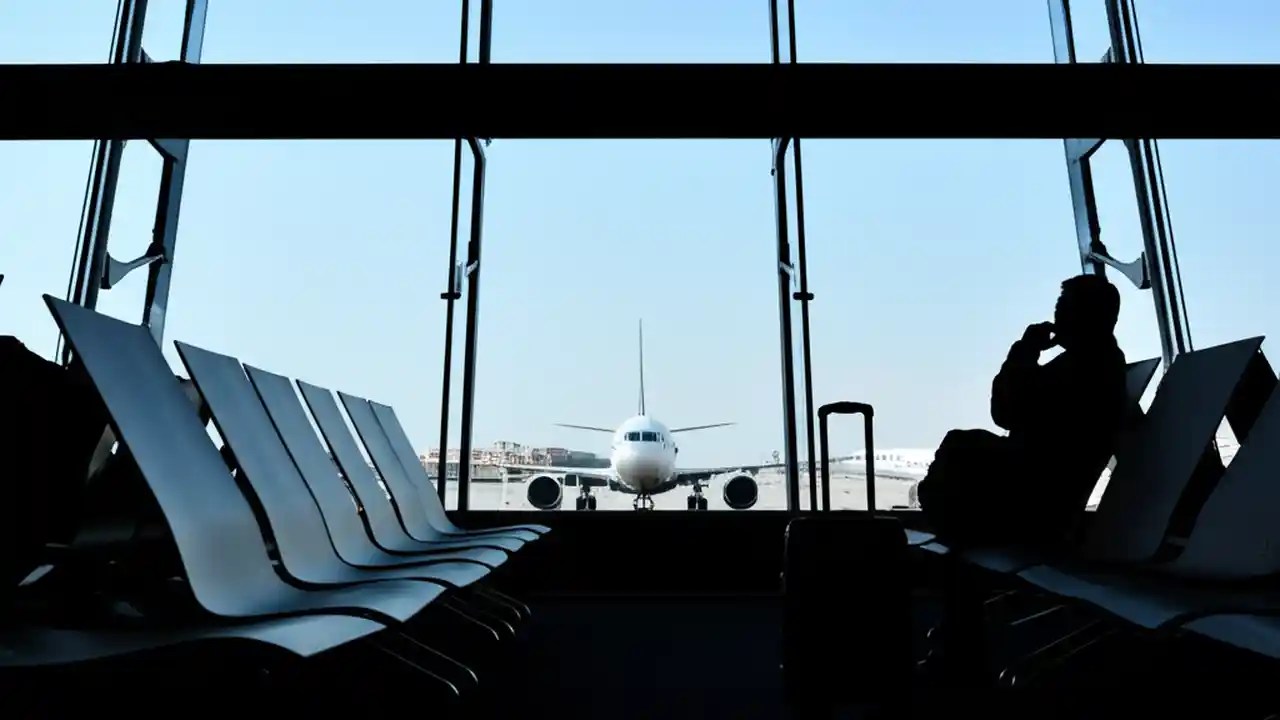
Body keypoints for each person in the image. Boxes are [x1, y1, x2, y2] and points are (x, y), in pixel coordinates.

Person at [915, 274, 1129, 548]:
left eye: (1063, 310)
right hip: (1041, 494)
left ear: (1085, 316)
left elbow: (1006, 410)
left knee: (961, 444)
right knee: (962, 444)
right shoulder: (1097, 363)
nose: (1057, 319)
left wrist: (1024, 352)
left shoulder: (1086, 367)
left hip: (1034, 502)